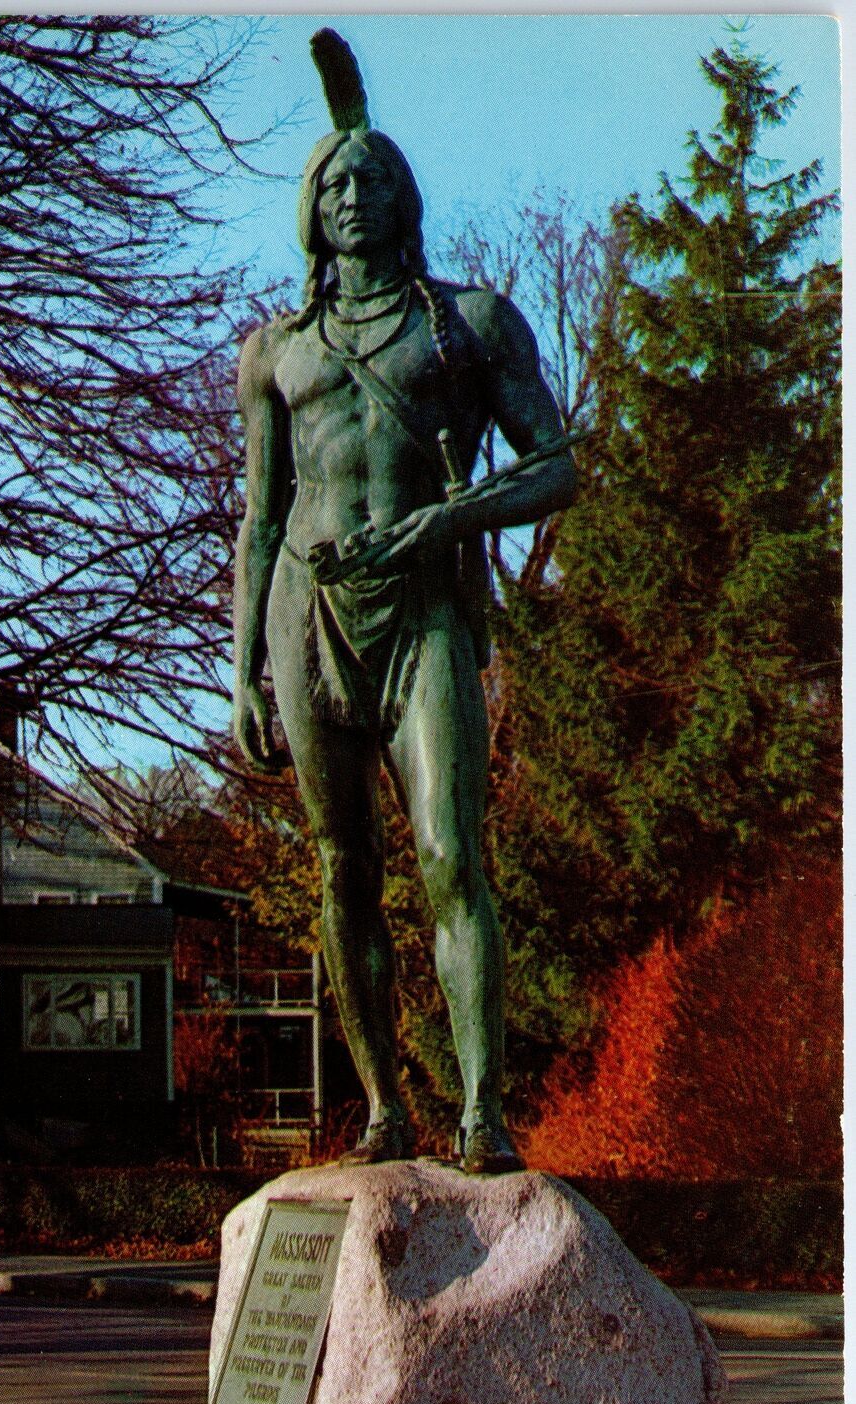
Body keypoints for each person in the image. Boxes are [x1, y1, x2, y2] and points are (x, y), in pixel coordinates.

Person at [232, 32, 577, 1171]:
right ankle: (384, 1109)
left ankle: (481, 1110)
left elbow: (553, 460)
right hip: (307, 615)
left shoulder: (467, 323)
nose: (349, 192)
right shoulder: (275, 353)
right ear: (306, 209)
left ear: (404, 195)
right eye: (331, 179)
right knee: (343, 868)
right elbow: (261, 516)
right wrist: (240, 669)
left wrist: (446, 519)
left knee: (445, 852)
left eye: (370, 175)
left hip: (422, 609)